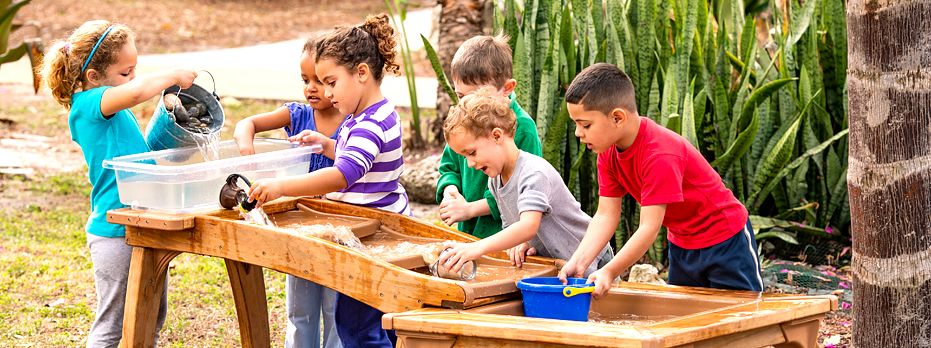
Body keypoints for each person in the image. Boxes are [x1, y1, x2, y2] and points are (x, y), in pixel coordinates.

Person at [246, 13, 408, 348]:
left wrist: (279, 187)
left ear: (361, 73)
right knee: (372, 325)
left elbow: (343, 175)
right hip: (371, 232)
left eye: (332, 82)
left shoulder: (368, 124)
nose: (328, 93)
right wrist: (328, 145)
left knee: (358, 329)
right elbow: (359, 160)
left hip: (371, 239)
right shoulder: (369, 114)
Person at [40, 20, 197, 347]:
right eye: (125, 73)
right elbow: (137, 93)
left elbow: (139, 156)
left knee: (150, 317)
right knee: (113, 326)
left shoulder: (113, 111)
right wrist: (173, 75)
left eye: (134, 70)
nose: (133, 80)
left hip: (142, 220)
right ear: (93, 78)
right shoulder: (87, 107)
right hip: (114, 230)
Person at [557, 63, 763, 298]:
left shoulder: (660, 155)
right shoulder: (607, 154)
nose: (577, 133)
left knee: (744, 314)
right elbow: (605, 215)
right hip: (682, 243)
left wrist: (610, 271)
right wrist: (579, 262)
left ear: (617, 117)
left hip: (726, 241)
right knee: (684, 318)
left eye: (585, 125)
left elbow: (648, 227)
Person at [232, 36, 344, 348]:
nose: (311, 88)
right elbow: (247, 123)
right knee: (301, 308)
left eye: (321, 81)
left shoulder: (352, 121)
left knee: (337, 308)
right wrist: (247, 152)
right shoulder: (297, 114)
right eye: (305, 79)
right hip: (298, 226)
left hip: (340, 226)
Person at [436, 89, 612, 276]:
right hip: (564, 266)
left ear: (497, 135)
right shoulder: (495, 181)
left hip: (594, 261)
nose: (470, 164)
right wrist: (522, 243)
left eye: (471, 153)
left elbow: (528, 225)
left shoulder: (533, 172)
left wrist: (476, 248)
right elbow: (515, 228)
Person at [435, 34, 542, 239]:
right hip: (470, 233)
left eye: (476, 95)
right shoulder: (464, 122)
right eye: (460, 96)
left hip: (506, 238)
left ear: (507, 88)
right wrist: (451, 191)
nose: (467, 104)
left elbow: (522, 190)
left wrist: (469, 210)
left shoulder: (524, 129)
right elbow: (449, 166)